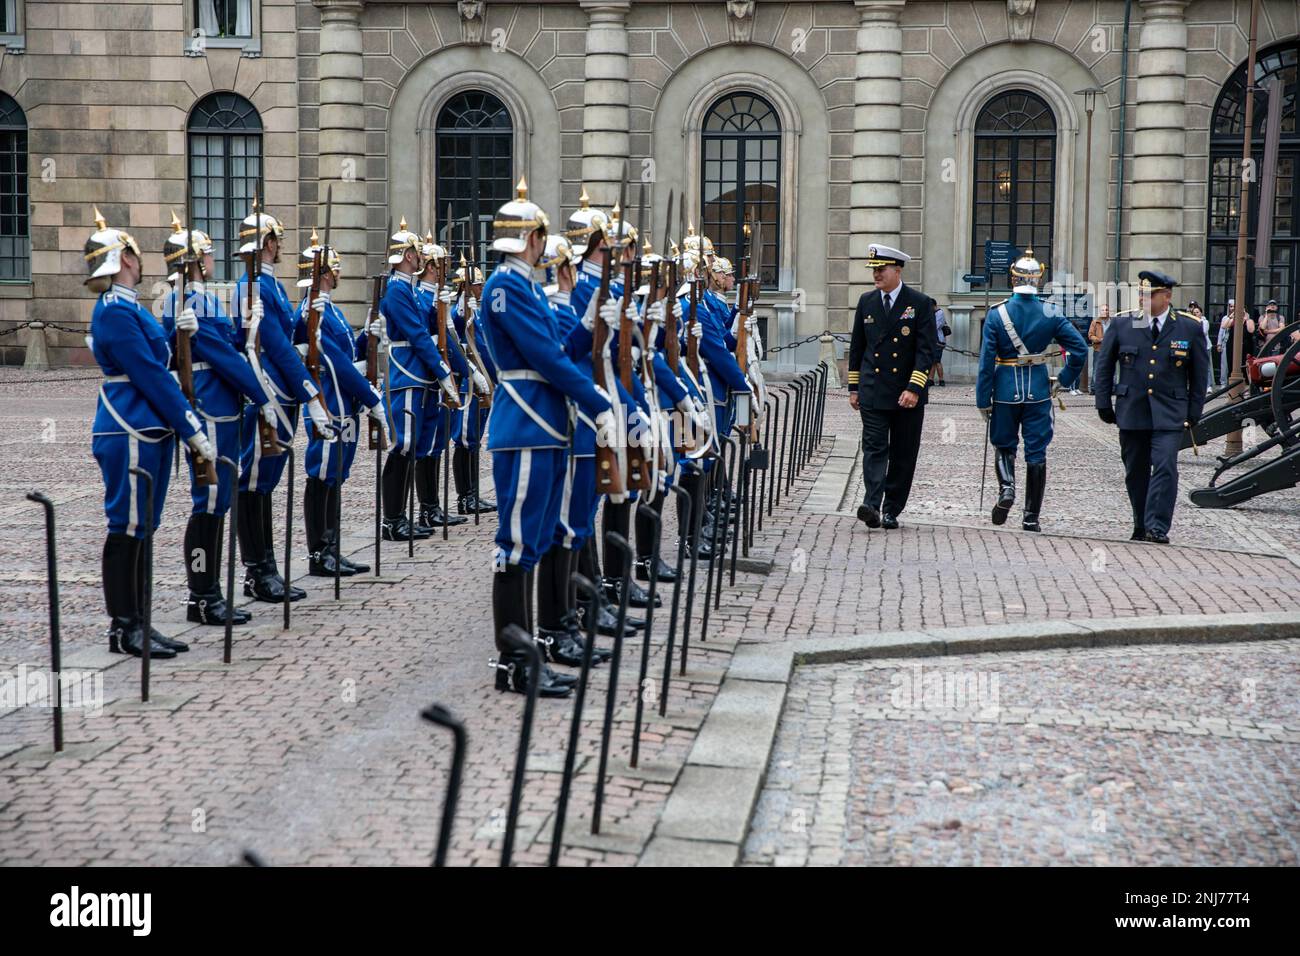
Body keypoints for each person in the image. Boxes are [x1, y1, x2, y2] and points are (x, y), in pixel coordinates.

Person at [478, 177, 616, 698]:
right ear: (532, 238)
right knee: (516, 548)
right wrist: (599, 403)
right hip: (527, 423)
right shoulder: (507, 286)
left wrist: (586, 321)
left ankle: (531, 646)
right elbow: (546, 358)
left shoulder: (523, 286)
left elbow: (559, 345)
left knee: (534, 543)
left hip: (544, 425)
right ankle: (514, 660)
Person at [86, 207, 214, 659]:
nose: (142, 264)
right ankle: (125, 626)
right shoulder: (115, 311)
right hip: (130, 425)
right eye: (136, 256)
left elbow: (155, 352)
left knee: (144, 526)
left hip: (147, 427)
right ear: (124, 260)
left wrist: (175, 330)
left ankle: (140, 619)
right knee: (127, 526)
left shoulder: (127, 307)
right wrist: (190, 424)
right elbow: (149, 374)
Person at [161, 213, 278, 626]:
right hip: (210, 407)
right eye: (207, 253)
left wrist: (247, 329)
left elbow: (230, 344)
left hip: (225, 411)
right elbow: (224, 358)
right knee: (209, 502)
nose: (212, 258)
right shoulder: (188, 300)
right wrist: (262, 396)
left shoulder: (203, 297)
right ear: (193, 261)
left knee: (218, 499)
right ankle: (202, 593)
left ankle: (209, 591)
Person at [235, 203, 334, 603]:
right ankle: (257, 570)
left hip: (281, 390)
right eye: (277, 242)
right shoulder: (255, 286)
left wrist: (312, 315)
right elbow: (273, 345)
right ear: (270, 244)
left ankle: (267, 566)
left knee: (265, 483)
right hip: (268, 392)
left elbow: (288, 334)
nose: (280, 248)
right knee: (254, 484)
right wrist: (310, 392)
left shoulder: (270, 284)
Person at [292, 232, 390, 577]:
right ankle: (319, 552)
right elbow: (334, 363)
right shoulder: (311, 313)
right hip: (330, 403)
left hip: (344, 403)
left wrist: (366, 334)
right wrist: (371, 396)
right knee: (322, 473)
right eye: (334, 268)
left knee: (336, 476)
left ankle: (332, 545)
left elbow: (349, 355)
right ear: (323, 274)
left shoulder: (328, 309)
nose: (339, 273)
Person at [974, 248, 1088, 531]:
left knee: (1004, 444)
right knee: (1036, 453)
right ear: (1039, 279)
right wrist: (1063, 378)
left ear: (1012, 278)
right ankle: (1031, 517)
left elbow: (987, 361)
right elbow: (1079, 348)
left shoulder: (997, 313)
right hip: (1038, 390)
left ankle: (1007, 490)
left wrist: (982, 398)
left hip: (1004, 389)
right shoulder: (1050, 311)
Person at [1094, 270, 1210, 544]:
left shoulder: (1188, 327)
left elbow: (1200, 374)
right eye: (1141, 294)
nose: (1143, 299)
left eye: (1150, 294)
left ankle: (1156, 526)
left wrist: (1194, 412)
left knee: (1166, 467)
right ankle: (1140, 522)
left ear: (1167, 296)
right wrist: (1103, 402)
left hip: (1170, 413)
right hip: (1132, 410)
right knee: (1135, 470)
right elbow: (1105, 366)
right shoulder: (1124, 324)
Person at [376, 219, 458, 541]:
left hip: (417, 373)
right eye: (416, 252)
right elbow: (418, 335)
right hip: (406, 371)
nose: (421, 256)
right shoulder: (397, 290)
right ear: (408, 255)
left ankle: (402, 515)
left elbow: (430, 330)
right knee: (403, 446)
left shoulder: (407, 289)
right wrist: (442, 370)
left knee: (413, 447)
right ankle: (393, 518)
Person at [847, 243, 937, 530]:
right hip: (873, 389)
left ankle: (892, 509)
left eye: (881, 270)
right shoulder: (867, 302)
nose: (876, 275)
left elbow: (927, 351)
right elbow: (858, 346)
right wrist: (854, 387)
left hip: (906, 392)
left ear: (897, 270)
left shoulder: (919, 303)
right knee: (873, 448)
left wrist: (914, 388)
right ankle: (871, 504)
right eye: (874, 270)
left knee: (902, 452)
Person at [1087, 303, 1111, 394]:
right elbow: (1090, 335)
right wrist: (1100, 340)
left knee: (1111, 369)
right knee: (1096, 369)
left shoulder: (1113, 322)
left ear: (1108, 311)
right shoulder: (1095, 322)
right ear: (1100, 312)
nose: (1105, 311)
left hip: (1111, 349)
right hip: (1098, 349)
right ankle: (1094, 389)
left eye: (1106, 310)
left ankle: (1111, 388)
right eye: (1103, 310)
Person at [931, 300, 948, 387]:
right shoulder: (934, 313)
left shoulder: (939, 313)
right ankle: (931, 379)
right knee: (933, 361)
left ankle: (941, 380)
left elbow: (936, 326)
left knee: (937, 361)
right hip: (933, 340)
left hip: (938, 340)